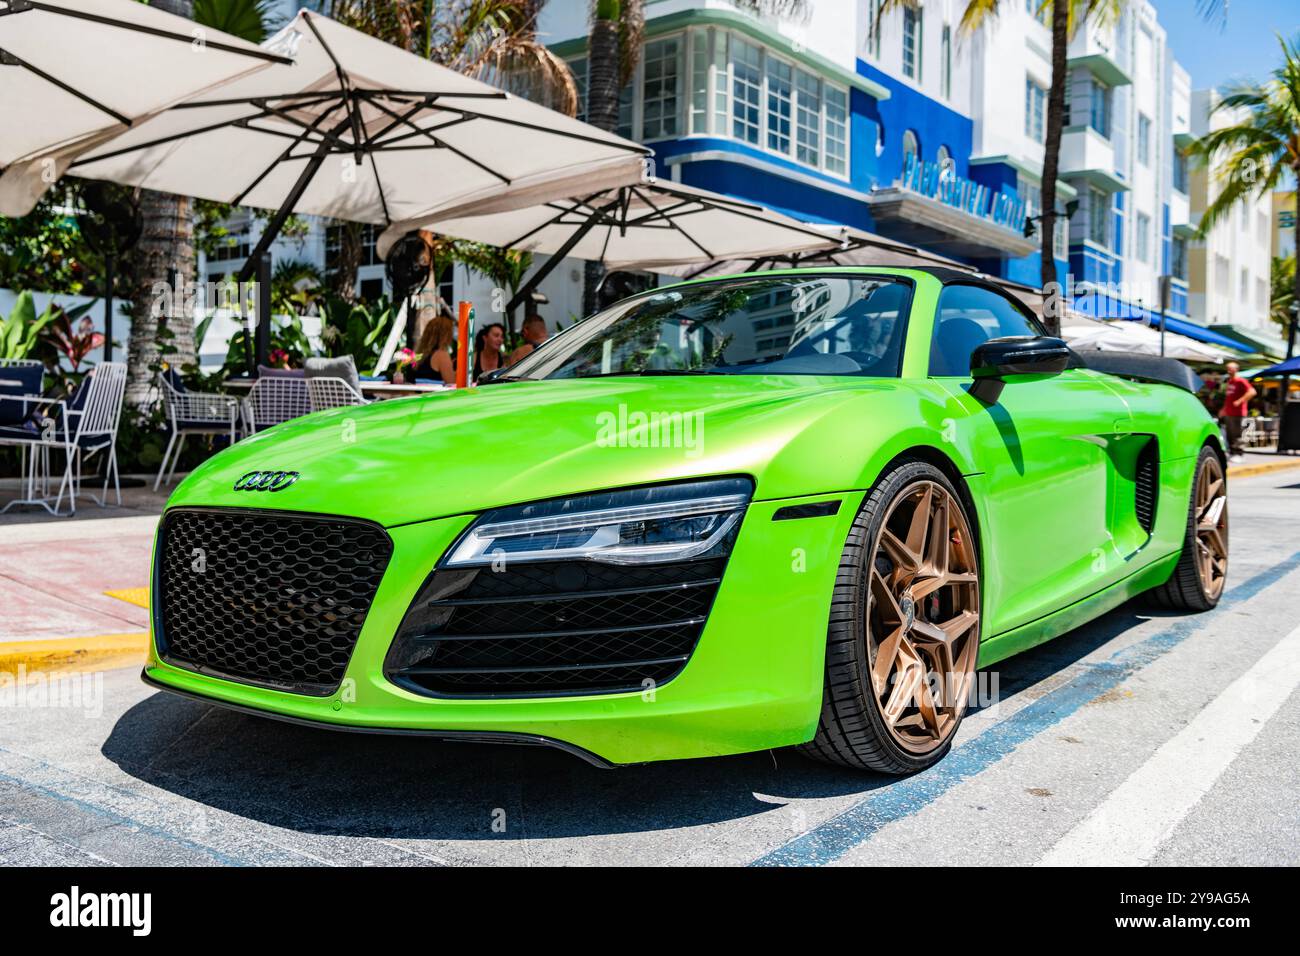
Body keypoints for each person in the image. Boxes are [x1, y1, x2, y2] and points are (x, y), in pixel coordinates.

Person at [398, 313, 455, 385]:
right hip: (434, 395)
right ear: (445, 335)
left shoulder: (420, 354)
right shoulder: (441, 355)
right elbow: (451, 383)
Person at [1220, 361, 1256, 463]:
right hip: (1229, 412)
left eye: (1230, 368)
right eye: (1227, 368)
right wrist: (1223, 409)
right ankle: (1232, 453)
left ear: (1236, 369)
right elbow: (1228, 398)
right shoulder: (1230, 382)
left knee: (1237, 434)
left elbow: (1252, 392)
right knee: (1229, 434)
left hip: (1238, 413)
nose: (1228, 370)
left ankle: (1239, 454)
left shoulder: (1241, 381)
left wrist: (1240, 401)